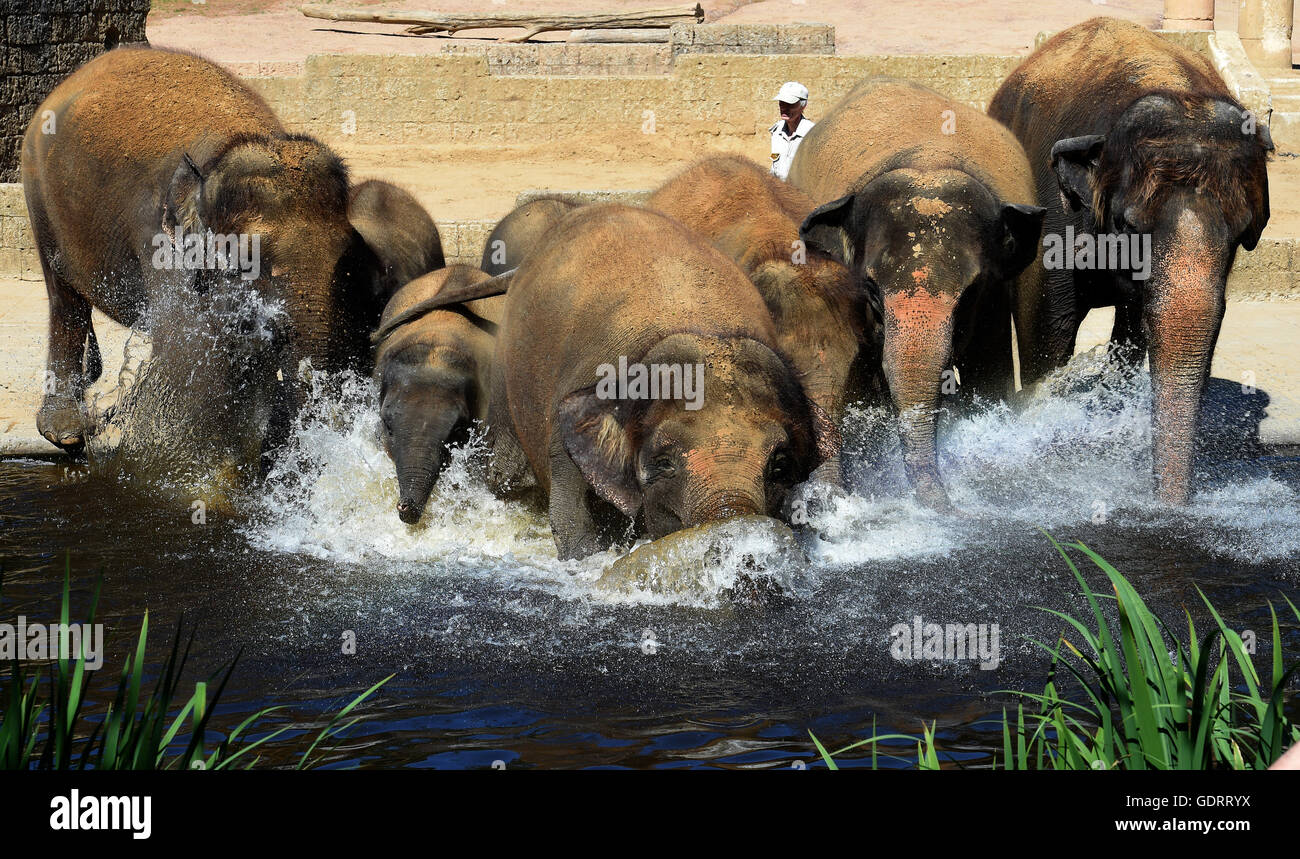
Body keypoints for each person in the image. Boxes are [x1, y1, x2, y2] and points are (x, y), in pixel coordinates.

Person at [769, 81, 814, 181]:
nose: (784, 108)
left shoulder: (812, 134)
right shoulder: (776, 132)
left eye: (790, 104)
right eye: (782, 103)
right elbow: (774, 168)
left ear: (803, 106)